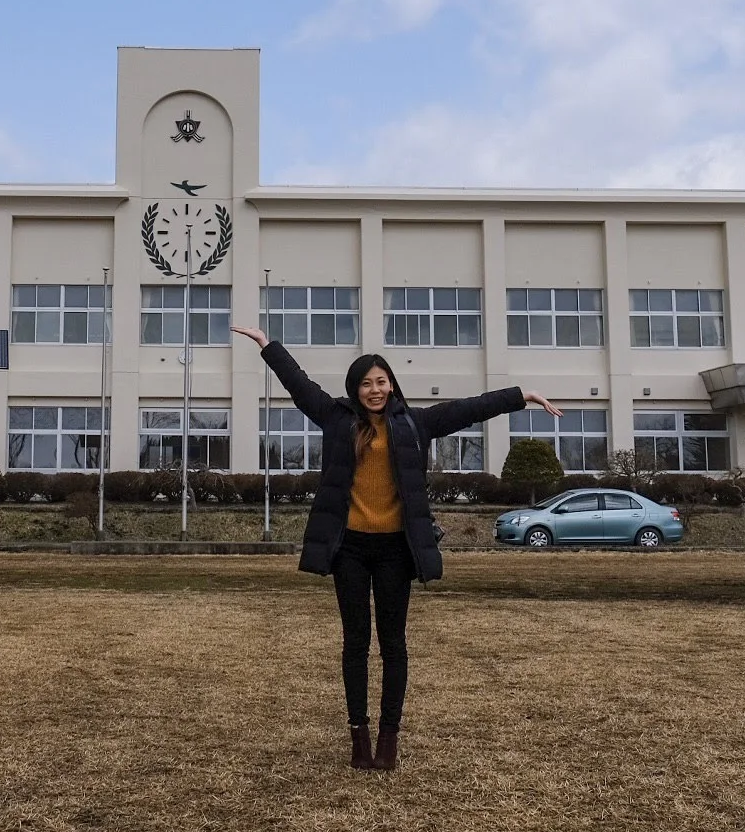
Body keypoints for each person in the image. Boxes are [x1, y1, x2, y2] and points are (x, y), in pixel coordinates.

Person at [230, 324, 562, 772]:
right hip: (349, 548)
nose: (375, 390)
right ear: (355, 389)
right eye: (367, 383)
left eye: (381, 381)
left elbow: (469, 409)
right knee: (355, 643)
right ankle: (358, 735)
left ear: (391, 384)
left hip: (394, 550)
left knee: (393, 644)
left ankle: (388, 737)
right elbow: (299, 385)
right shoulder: (337, 419)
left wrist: (522, 395)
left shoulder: (414, 423)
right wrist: (267, 345)